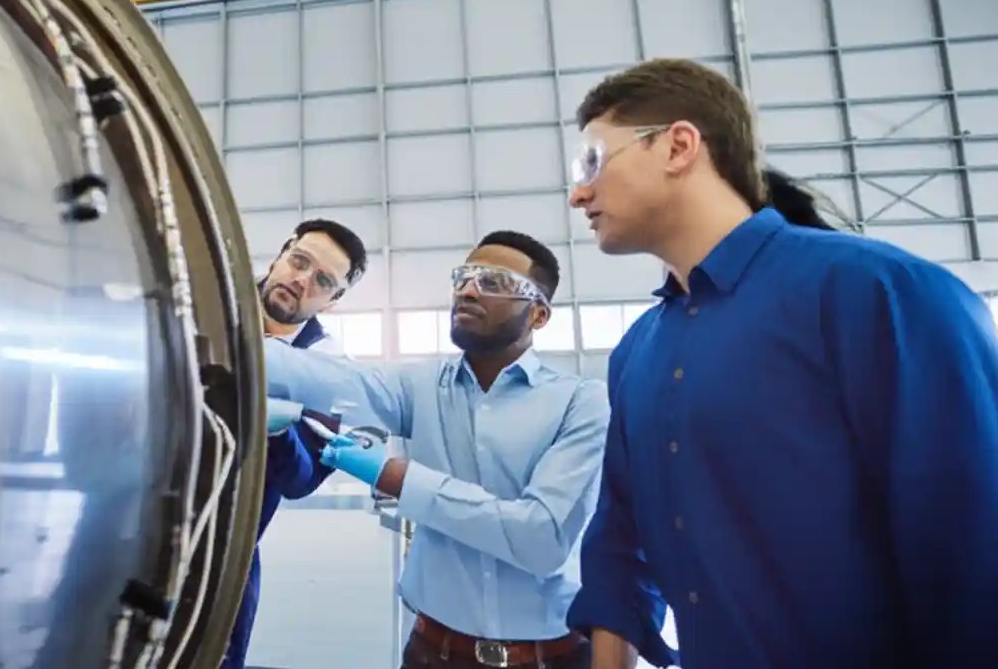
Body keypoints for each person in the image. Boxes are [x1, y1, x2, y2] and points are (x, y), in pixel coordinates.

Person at [563, 58, 998, 669]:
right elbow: (621, 536)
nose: (579, 192)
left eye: (591, 162)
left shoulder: (877, 294)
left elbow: (971, 549)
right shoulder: (639, 350)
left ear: (678, 146)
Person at [263, 231, 608, 669]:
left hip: (550, 658)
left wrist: (397, 477)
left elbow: (540, 539)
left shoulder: (581, 403)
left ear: (538, 315)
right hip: (433, 654)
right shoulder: (419, 387)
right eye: (464, 277)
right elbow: (327, 379)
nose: (467, 289)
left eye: (493, 282)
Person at [223, 218, 368, 669]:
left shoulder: (328, 372)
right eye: (299, 261)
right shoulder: (207, 299)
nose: (302, 280)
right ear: (282, 253)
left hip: (225, 560)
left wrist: (279, 428)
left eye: (322, 280)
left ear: (335, 299)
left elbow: (302, 479)